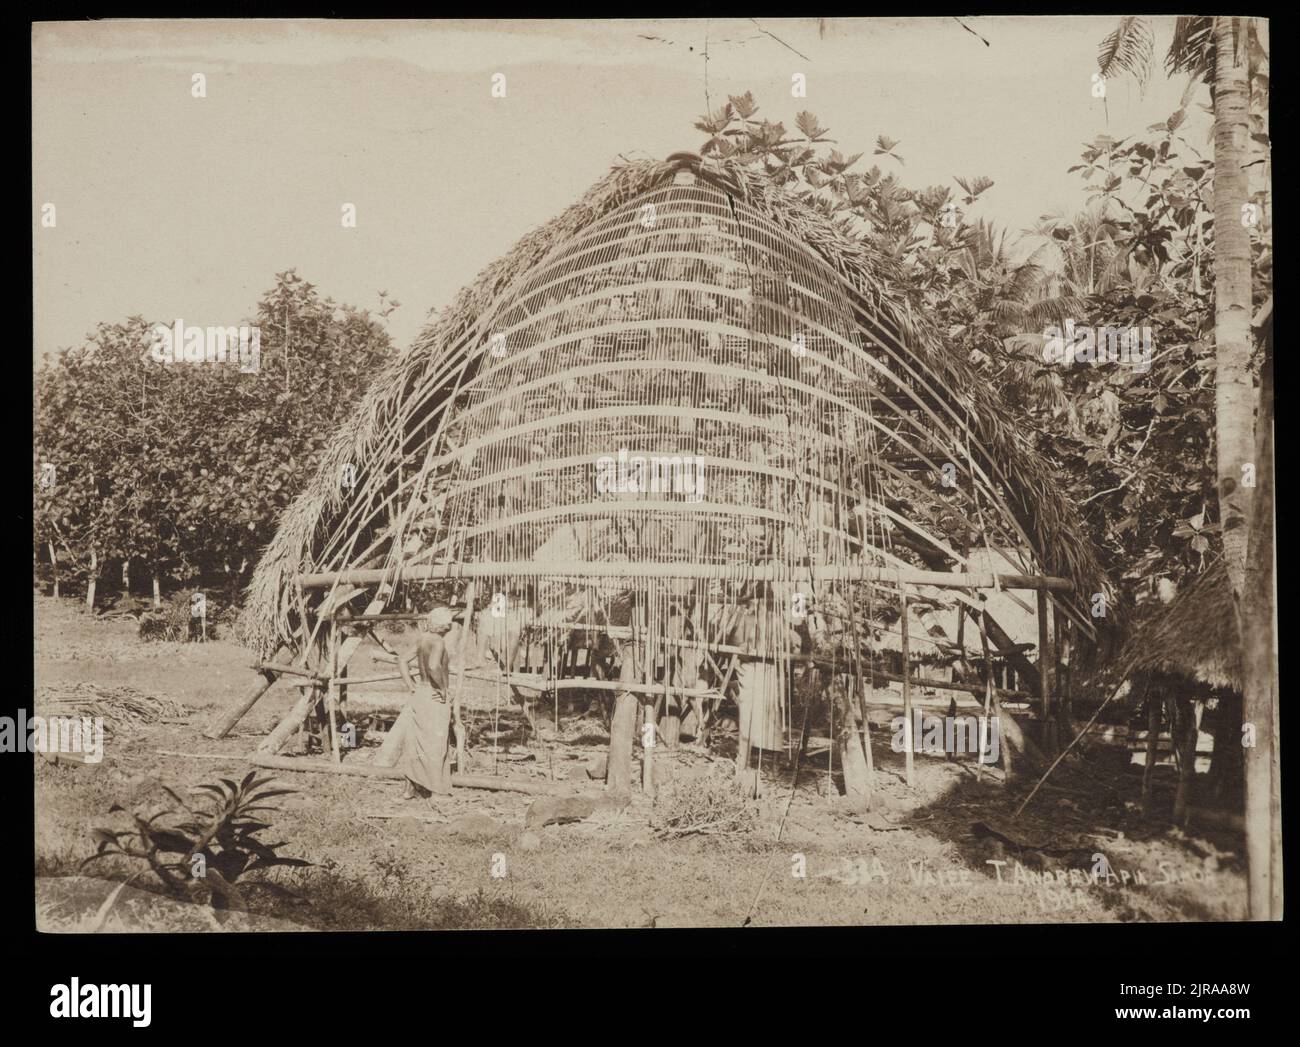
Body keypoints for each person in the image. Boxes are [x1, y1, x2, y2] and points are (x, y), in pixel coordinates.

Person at [394, 604, 465, 800]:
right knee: (435, 743)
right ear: (446, 625)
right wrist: (442, 689)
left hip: (421, 693)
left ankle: (410, 789)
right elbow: (434, 666)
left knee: (416, 743)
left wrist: (411, 686)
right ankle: (437, 791)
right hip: (434, 696)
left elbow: (401, 660)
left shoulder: (422, 640)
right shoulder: (438, 642)